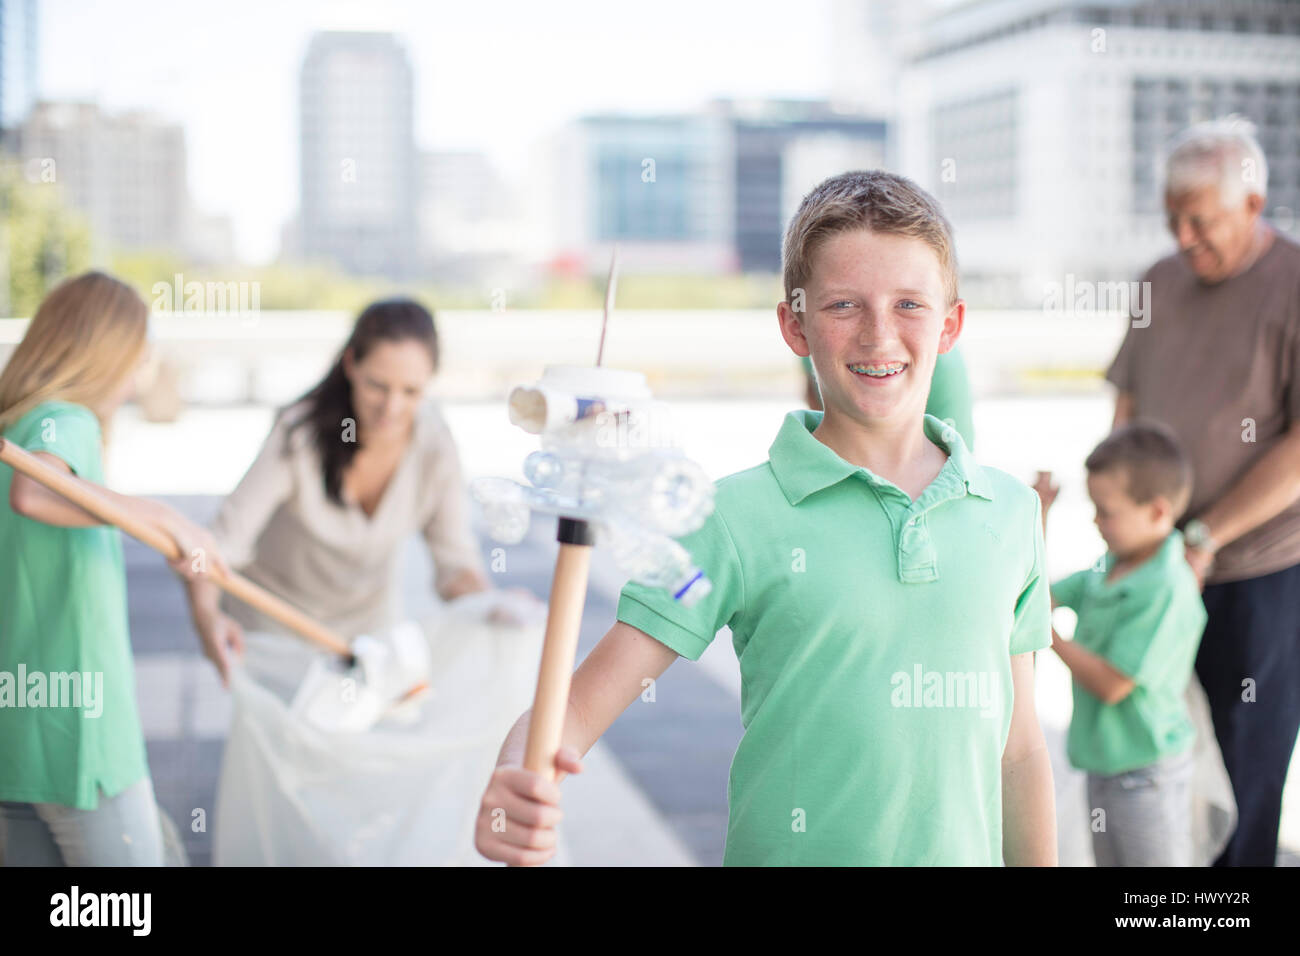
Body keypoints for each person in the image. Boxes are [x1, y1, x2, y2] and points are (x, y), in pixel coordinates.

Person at [474, 170, 1057, 866]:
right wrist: (515, 781)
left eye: (909, 304)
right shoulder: (732, 521)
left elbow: (1019, 750)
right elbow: (570, 711)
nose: (879, 334)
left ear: (951, 323)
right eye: (843, 304)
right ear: (794, 324)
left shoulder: (1011, 515)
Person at [1106, 119, 1300, 866]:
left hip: (1258, 575)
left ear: (1252, 204)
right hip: (1157, 571)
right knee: (1153, 768)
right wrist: (1124, 525)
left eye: (1202, 220)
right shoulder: (1158, 280)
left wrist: (1204, 536)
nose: (1185, 237)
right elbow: (1125, 409)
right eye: (1172, 219)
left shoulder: (1291, 283)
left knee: (1244, 771)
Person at [0, 272, 226, 865]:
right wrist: (160, 515)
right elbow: (33, 493)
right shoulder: (64, 421)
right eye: (134, 362)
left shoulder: (14, 426)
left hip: (19, 740)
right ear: (105, 357)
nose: (132, 384)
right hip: (83, 740)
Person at [183, 298, 528, 676]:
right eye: (377, 386)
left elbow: (454, 566)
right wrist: (205, 619)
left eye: (411, 392)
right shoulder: (298, 437)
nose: (392, 408)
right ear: (351, 365)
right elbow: (215, 549)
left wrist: (491, 605)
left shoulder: (434, 444)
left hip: (369, 640)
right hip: (276, 635)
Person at [1035, 424, 1207, 866]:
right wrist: (1040, 517)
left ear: (1156, 512)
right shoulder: (1111, 564)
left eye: (1106, 511)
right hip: (1103, 763)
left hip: (1147, 773)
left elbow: (1113, 684)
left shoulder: (1165, 587)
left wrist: (1045, 633)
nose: (1095, 520)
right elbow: (1040, 595)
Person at [802, 344, 976, 450]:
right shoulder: (814, 341)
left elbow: (958, 457)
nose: (879, 340)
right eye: (842, 305)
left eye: (908, 305)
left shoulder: (942, 365)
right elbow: (816, 400)